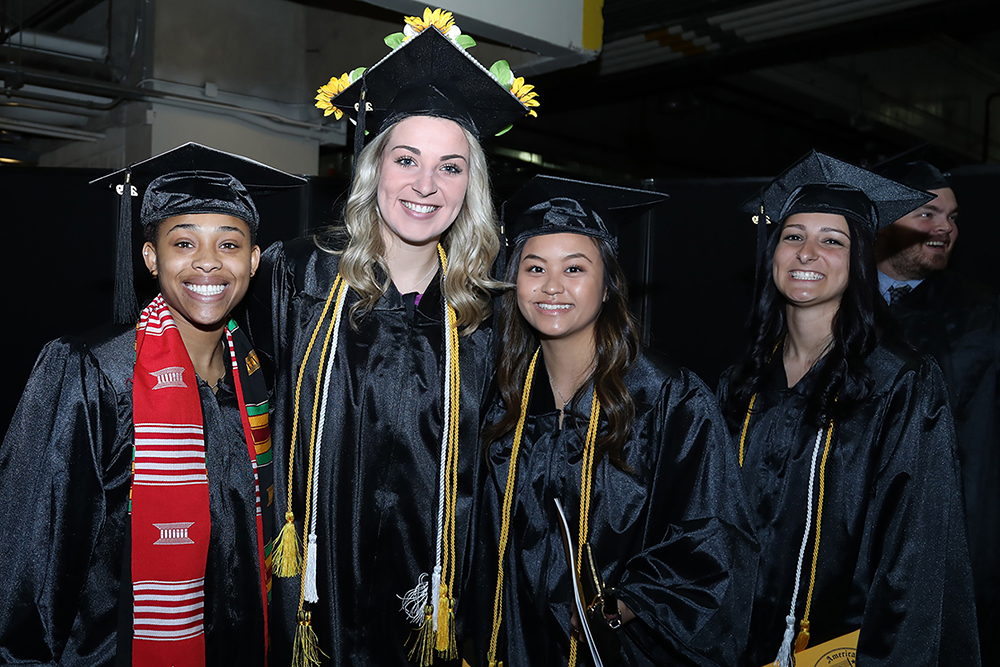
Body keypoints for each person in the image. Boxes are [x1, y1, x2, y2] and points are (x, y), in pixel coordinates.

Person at [246, 8, 537, 666]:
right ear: (376, 167)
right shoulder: (295, 275)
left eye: (451, 167)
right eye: (407, 159)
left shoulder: (487, 312)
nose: (426, 185)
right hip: (318, 588)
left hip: (429, 590)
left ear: (473, 186)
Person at [0, 142, 304, 666]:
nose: (207, 262)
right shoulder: (93, 372)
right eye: (183, 242)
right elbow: (29, 559)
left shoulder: (264, 382)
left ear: (254, 261)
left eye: (229, 245)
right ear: (150, 257)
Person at [476, 175, 758, 666]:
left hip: (619, 651)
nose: (552, 287)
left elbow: (713, 535)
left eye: (576, 269)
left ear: (607, 286)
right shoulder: (496, 397)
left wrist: (623, 605)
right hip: (510, 642)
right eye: (534, 267)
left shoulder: (670, 397)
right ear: (513, 281)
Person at [719, 150, 980, 666]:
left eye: (831, 240)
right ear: (772, 252)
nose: (807, 253)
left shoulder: (899, 381)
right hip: (734, 643)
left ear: (860, 258)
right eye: (793, 236)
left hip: (844, 647)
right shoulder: (740, 383)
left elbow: (918, 552)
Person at [874, 155, 1000, 658]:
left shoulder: (983, 314)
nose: (945, 228)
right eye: (928, 213)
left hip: (957, 535)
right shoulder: (830, 305)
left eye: (952, 217)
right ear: (881, 219)